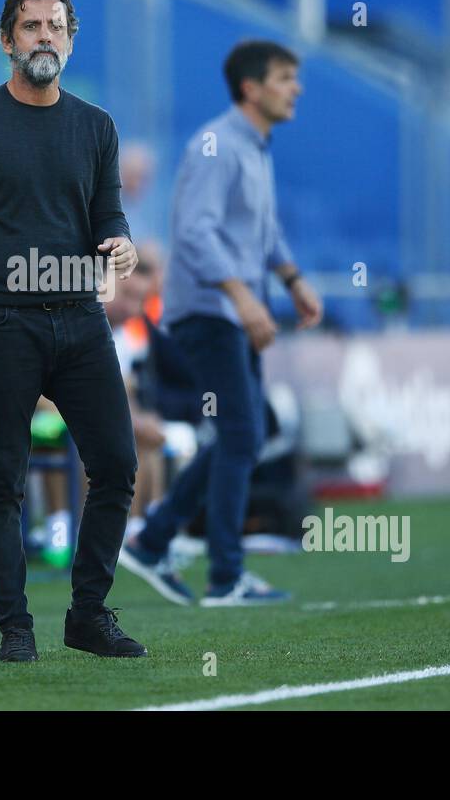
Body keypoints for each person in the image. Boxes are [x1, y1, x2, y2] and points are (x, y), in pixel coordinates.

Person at [0, 0, 145, 661]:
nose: (43, 37)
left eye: (55, 26)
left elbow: (105, 216)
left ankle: (87, 614)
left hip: (81, 318)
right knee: (1, 477)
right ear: (7, 40)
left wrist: (123, 242)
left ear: (71, 40)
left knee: (116, 464)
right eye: (30, 27)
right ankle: (15, 629)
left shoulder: (97, 126)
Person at [120, 39, 322, 607]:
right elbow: (195, 231)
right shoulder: (215, 145)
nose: (296, 88)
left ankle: (155, 542)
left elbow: (262, 228)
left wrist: (291, 280)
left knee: (244, 431)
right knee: (242, 432)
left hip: (233, 309)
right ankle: (224, 575)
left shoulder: (255, 147)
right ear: (251, 88)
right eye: (285, 77)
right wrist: (243, 297)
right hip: (209, 311)